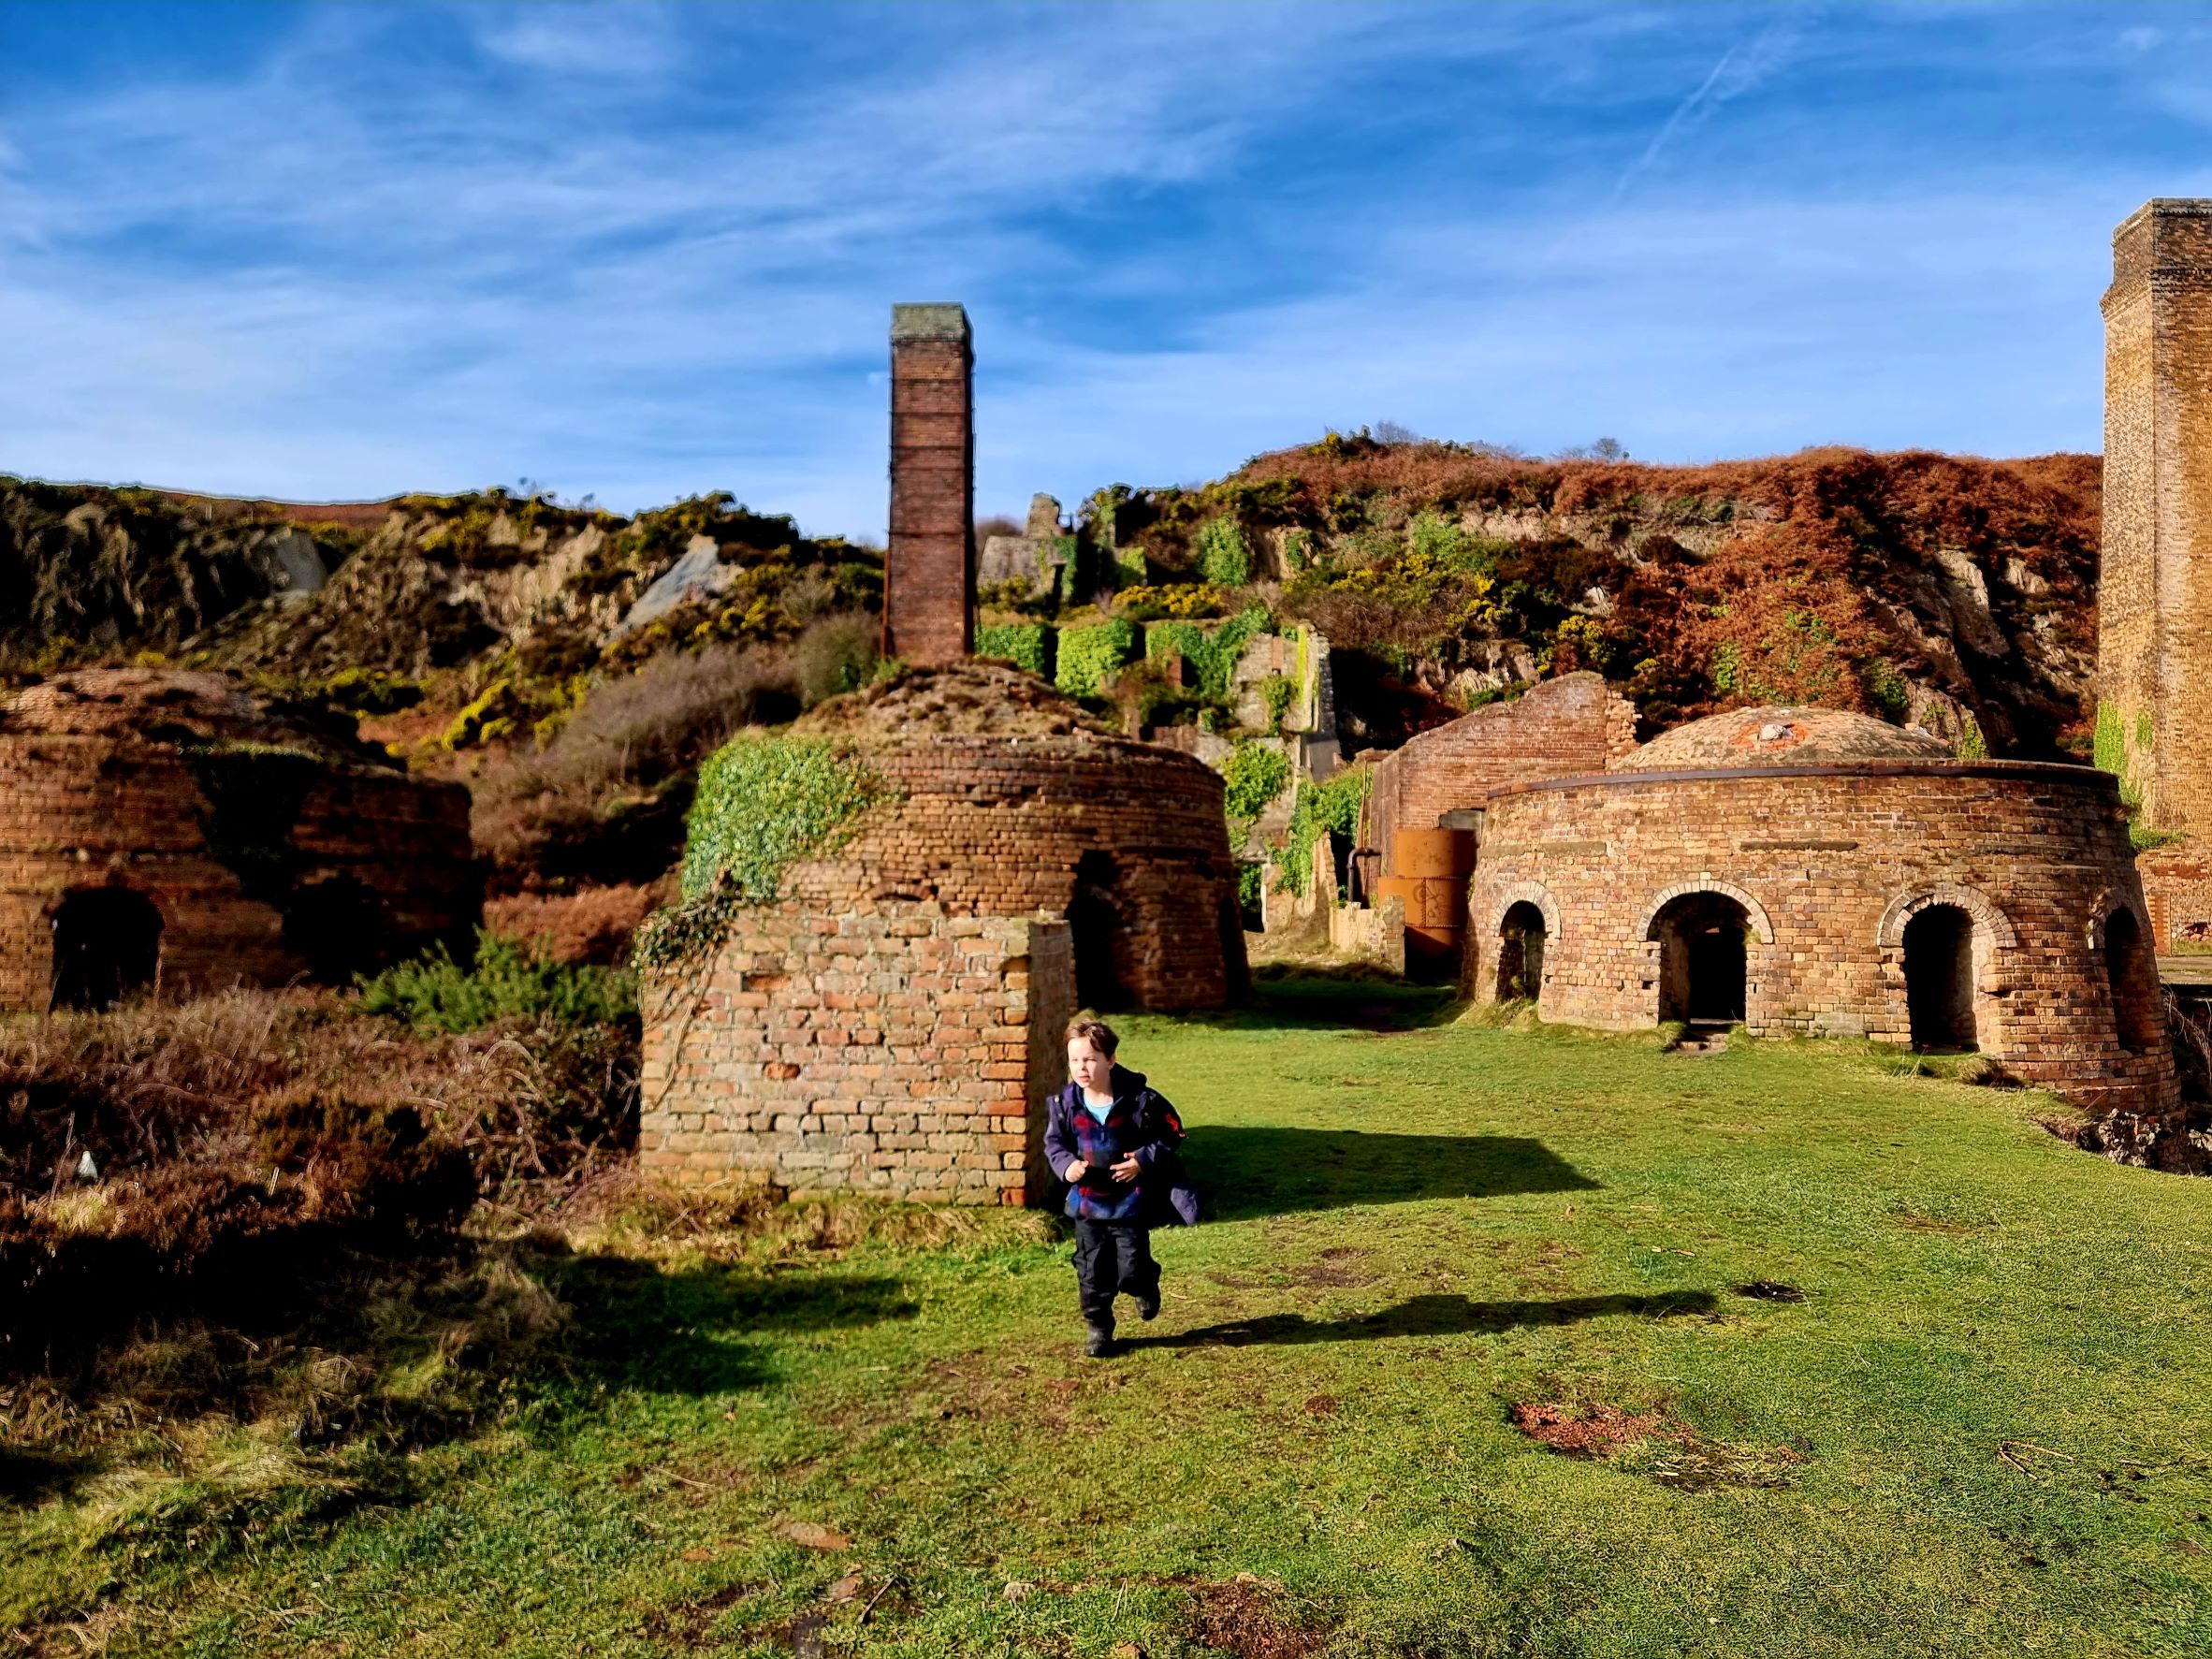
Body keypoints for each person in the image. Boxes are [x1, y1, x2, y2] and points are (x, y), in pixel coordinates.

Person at [1041, 1014, 1195, 1359]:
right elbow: (1054, 1144)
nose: (1082, 1068)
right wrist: (1067, 1167)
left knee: (1132, 1266)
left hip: (1131, 1202)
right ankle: (1099, 1328)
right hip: (1086, 1204)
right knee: (1091, 1269)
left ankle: (1144, 1284)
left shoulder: (1141, 1100)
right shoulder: (1065, 1104)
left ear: (1110, 1059)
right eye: (1074, 1060)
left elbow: (1173, 1133)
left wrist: (1142, 1158)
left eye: (1090, 1060)